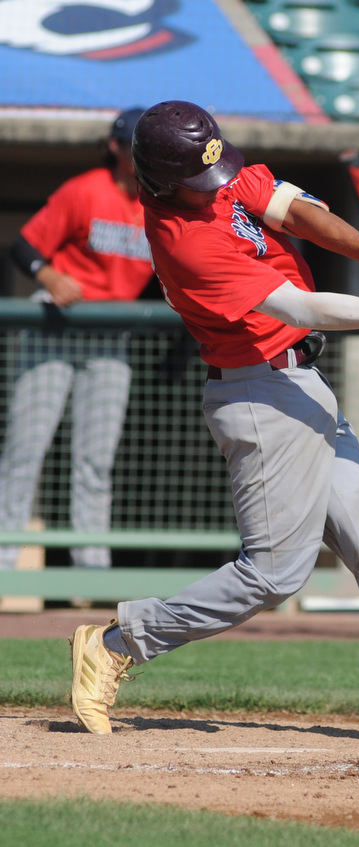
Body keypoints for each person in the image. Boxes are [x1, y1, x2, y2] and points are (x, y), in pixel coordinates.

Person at [68, 100, 359, 746]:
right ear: (159, 181)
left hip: (300, 384)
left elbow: (296, 210)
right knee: (275, 575)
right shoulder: (184, 240)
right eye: (200, 178)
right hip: (259, 398)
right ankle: (118, 641)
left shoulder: (215, 174)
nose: (218, 182)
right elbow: (302, 307)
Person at [0, 107, 153, 574]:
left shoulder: (160, 205)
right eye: (134, 145)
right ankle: (4, 563)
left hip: (109, 337)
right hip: (57, 328)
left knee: (96, 460)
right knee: (26, 450)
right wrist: (48, 275)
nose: (140, 155)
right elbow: (23, 245)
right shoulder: (86, 189)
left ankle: (92, 571)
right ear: (115, 147)